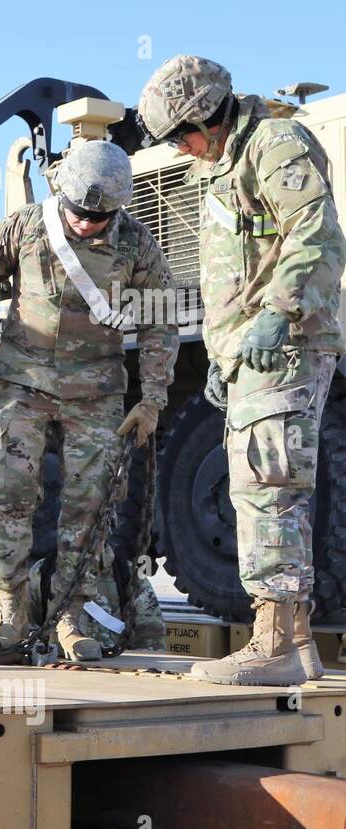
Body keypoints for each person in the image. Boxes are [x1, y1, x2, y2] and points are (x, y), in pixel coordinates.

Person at [138, 56, 344, 686]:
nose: (181, 149)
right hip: (251, 356)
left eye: (181, 135)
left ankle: (273, 646)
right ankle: (297, 642)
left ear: (207, 115)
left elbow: (317, 233)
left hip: (283, 347)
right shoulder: (228, 163)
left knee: (266, 489)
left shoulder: (274, 144)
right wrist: (225, 352)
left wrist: (276, 316)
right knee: (271, 487)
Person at [0, 139, 178, 661]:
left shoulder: (138, 245)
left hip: (96, 393)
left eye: (99, 218)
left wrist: (154, 399)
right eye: (78, 213)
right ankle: (10, 612)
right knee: (8, 492)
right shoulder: (27, 227)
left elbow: (161, 321)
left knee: (90, 508)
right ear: (61, 195)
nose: (86, 224)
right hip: (24, 384)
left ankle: (72, 614)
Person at [26, 545, 168, 657]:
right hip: (60, 670)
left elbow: (151, 636)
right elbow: (28, 628)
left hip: (115, 674)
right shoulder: (43, 572)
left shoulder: (128, 574)